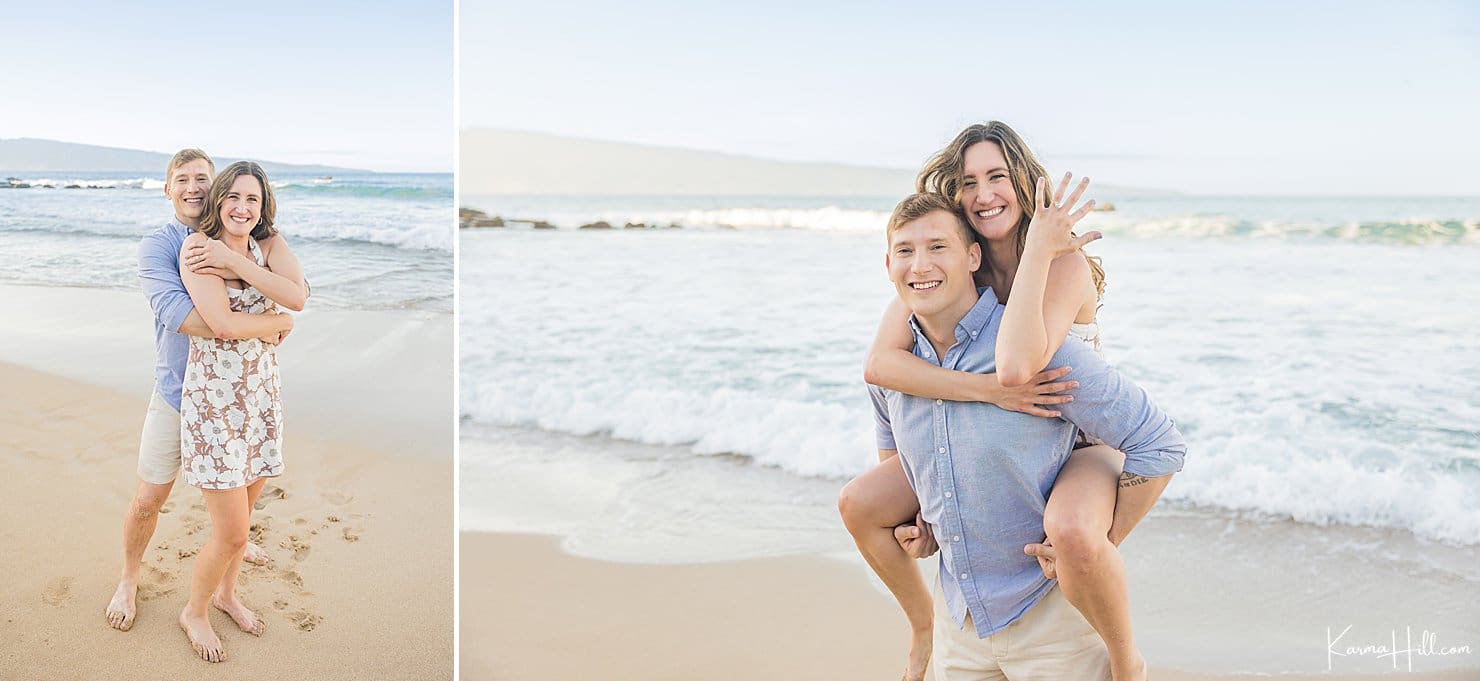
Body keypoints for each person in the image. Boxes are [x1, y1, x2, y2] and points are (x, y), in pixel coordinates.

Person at [841, 122, 1162, 681]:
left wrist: (1038, 246)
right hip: (1000, 421)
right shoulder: (956, 263)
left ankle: (1124, 656)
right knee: (861, 502)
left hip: (1076, 436)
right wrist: (935, 496)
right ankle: (923, 627)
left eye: (997, 176)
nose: (984, 194)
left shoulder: (1060, 260)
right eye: (968, 182)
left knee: (1076, 537)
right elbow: (882, 366)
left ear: (1023, 179)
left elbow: (1018, 367)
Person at [106, 150, 293, 634]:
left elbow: (297, 289)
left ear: (216, 188)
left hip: (244, 396)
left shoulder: (249, 240)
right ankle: (129, 577)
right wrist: (271, 323)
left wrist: (266, 310)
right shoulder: (165, 246)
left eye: (202, 179)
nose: (193, 187)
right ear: (168, 188)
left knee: (239, 512)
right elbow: (190, 319)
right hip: (177, 391)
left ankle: (232, 553)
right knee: (150, 499)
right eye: (182, 179)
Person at [175, 160, 308, 663]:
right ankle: (195, 610)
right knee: (230, 530)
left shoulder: (268, 246)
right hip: (214, 407)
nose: (242, 207)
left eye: (252, 199)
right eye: (233, 196)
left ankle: (228, 596)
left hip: (260, 400)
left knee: (246, 521)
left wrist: (242, 268)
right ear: (218, 199)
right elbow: (223, 325)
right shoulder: (197, 250)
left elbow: (297, 298)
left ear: (263, 205)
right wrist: (277, 323)